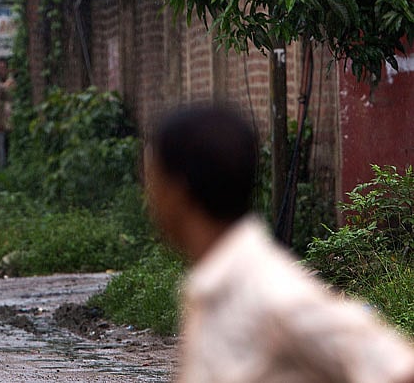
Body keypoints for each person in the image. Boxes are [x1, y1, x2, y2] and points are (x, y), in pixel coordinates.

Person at [144, 104, 414, 383]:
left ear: (177, 191)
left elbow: (397, 367)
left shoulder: (270, 293)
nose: (149, 198)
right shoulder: (213, 290)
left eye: (153, 182)